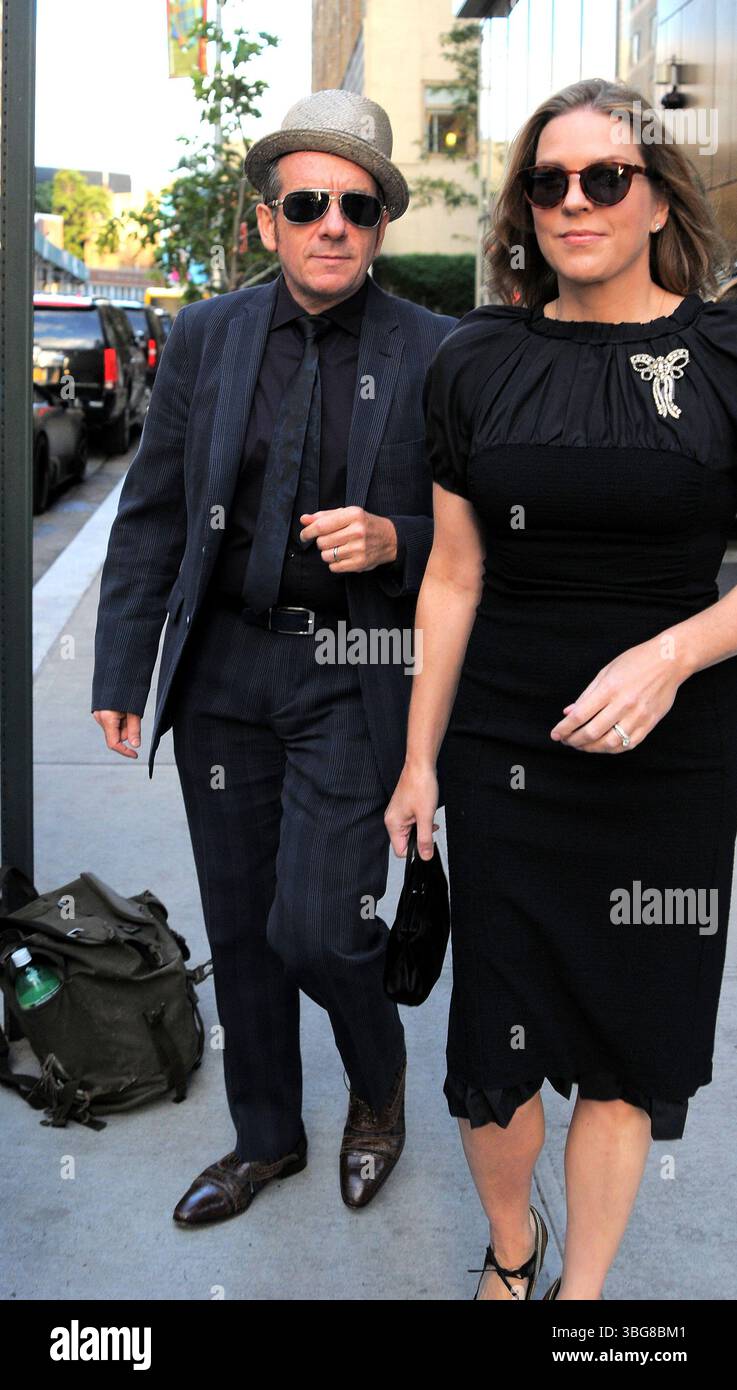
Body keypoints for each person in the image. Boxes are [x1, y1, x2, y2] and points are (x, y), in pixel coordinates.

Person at [385, 76, 737, 1300]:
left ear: (654, 199)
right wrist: (419, 760)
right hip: (505, 752)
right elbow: (451, 578)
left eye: (605, 177)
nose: (573, 200)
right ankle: (510, 1247)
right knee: (495, 1045)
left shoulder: (723, 356)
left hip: (675, 760)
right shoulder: (473, 363)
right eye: (548, 181)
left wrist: (673, 650)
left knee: (628, 1049)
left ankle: (576, 1303)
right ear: (523, 208)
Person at [91, 89, 456, 1222]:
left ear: (379, 223)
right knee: (243, 922)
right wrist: (121, 670)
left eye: (355, 205)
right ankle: (264, 1138)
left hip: (352, 670)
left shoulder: (434, 352)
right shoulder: (204, 335)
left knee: (316, 922)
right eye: (307, 202)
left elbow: (485, 538)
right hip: (223, 675)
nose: (331, 223)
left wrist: (398, 536)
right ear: (268, 221)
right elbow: (152, 512)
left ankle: (377, 1088)